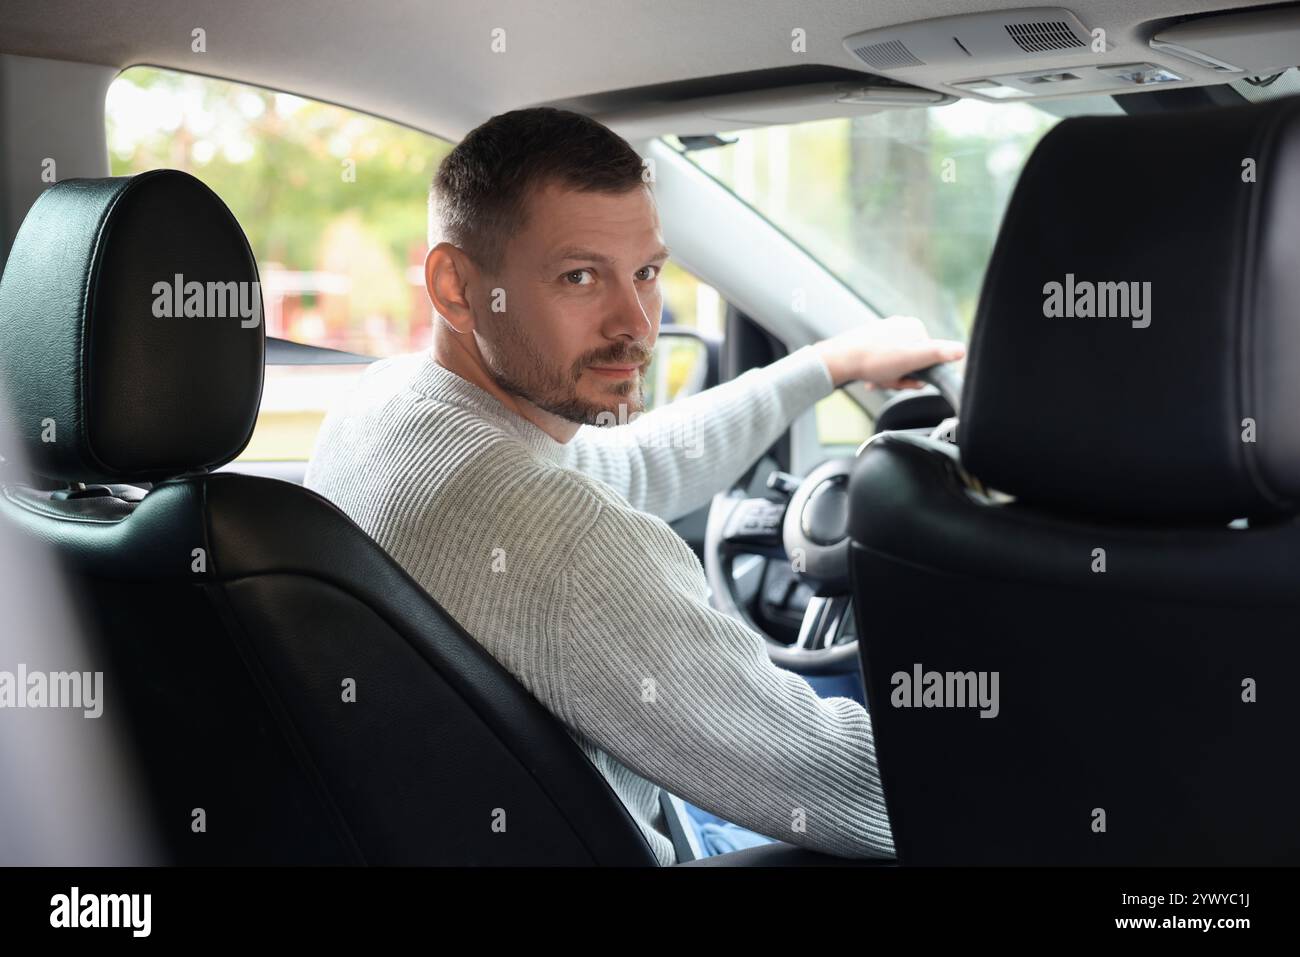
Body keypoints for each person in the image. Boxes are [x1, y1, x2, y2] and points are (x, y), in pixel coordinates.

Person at [304, 107, 965, 865]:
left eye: (647, 272)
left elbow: (638, 463)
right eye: (579, 276)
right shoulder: (552, 535)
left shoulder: (385, 409)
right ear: (457, 288)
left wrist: (828, 365)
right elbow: (863, 790)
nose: (637, 324)